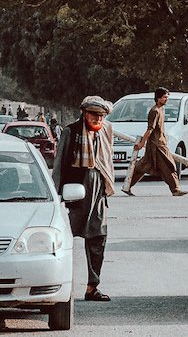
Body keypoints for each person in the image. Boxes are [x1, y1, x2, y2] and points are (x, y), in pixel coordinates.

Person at [52, 96, 116, 302]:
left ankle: (92, 287)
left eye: (101, 115)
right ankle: (59, 287)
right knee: (63, 242)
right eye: (94, 114)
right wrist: (56, 196)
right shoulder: (71, 132)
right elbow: (59, 166)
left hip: (98, 195)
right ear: (84, 114)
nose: (98, 119)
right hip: (73, 196)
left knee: (98, 239)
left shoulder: (106, 131)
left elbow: (106, 162)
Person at [124, 87, 185, 196]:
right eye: (164, 97)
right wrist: (142, 143)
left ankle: (127, 186)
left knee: (142, 166)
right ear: (158, 98)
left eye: (167, 97)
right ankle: (175, 190)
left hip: (160, 143)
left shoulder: (161, 109)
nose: (166, 100)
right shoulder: (154, 111)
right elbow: (150, 129)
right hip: (156, 146)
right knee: (169, 166)